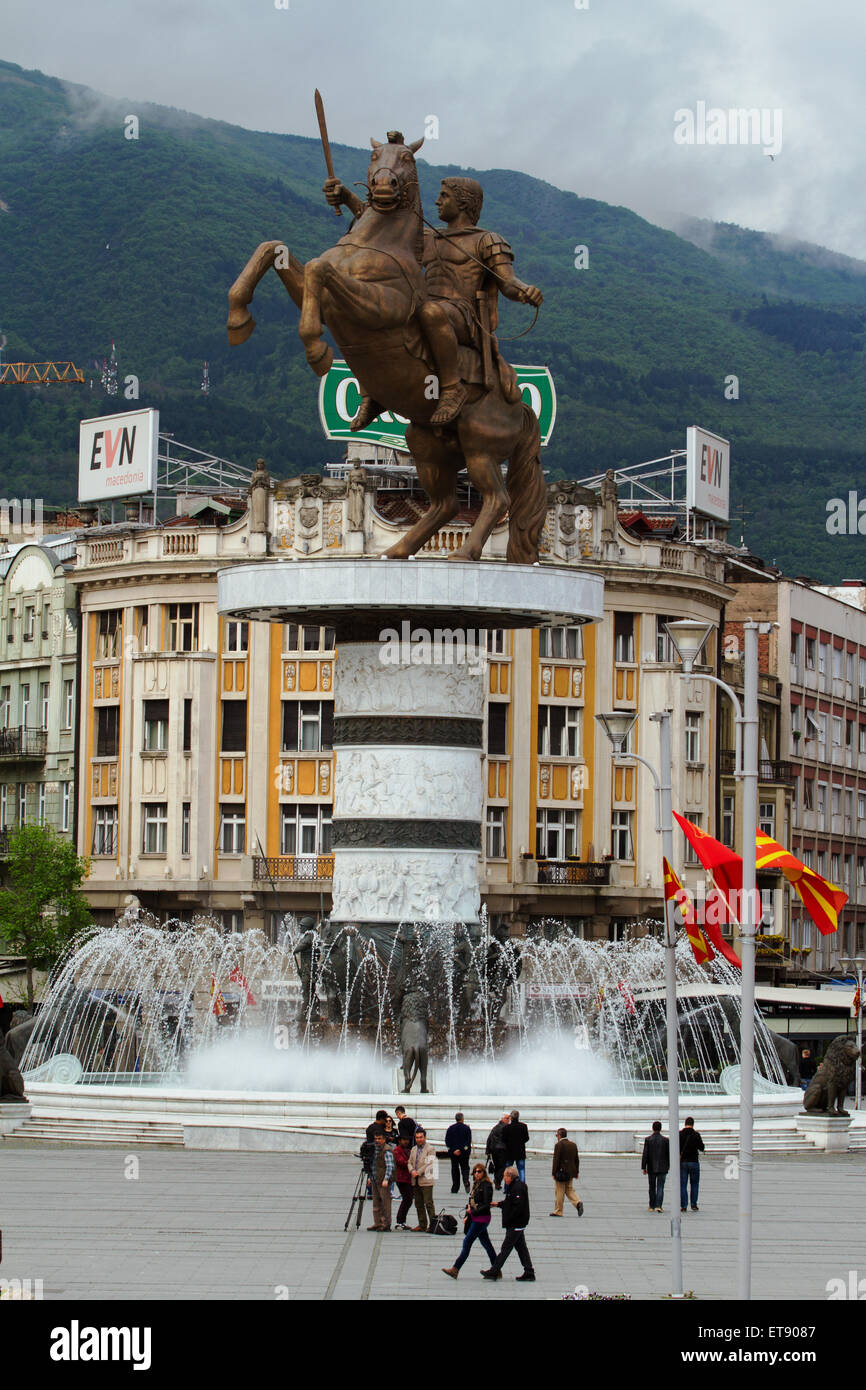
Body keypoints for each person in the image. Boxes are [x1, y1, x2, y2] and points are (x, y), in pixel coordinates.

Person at [441, 1162, 497, 1278]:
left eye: (479, 1171)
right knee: (486, 1244)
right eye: (475, 1172)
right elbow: (471, 1202)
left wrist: (473, 1212)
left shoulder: (486, 1185)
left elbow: (486, 1204)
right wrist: (468, 1214)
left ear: (483, 1173)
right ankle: (496, 1269)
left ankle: (455, 1269)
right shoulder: (476, 1184)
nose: (477, 1174)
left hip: (482, 1218)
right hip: (476, 1218)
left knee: (467, 1242)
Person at [482, 1166, 535, 1282]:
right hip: (517, 1224)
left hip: (516, 1224)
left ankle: (494, 1271)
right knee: (521, 1248)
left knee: (506, 1248)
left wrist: (510, 1219)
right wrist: (498, 1204)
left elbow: (518, 1206)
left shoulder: (517, 1188)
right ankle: (529, 1271)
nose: (504, 1178)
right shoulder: (514, 1186)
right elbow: (510, 1202)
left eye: (505, 1176)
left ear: (510, 1176)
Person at [550, 1127, 584, 1217]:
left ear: (560, 1135)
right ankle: (578, 1202)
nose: (557, 1136)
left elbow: (556, 1160)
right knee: (569, 1189)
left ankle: (558, 1211)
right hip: (571, 1172)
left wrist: (554, 1173)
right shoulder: (573, 1144)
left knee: (559, 1191)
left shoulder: (558, 1145)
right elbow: (576, 1159)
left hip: (561, 1172)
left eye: (557, 1135)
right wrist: (576, 1172)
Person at [409, 1127, 437, 1232]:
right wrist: (412, 1170)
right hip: (415, 1180)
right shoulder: (413, 1149)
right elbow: (409, 1162)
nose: (419, 1139)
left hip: (426, 1180)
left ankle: (433, 1224)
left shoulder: (430, 1149)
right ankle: (422, 1224)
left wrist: (418, 1172)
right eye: (417, 1137)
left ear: (425, 1137)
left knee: (428, 1203)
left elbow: (430, 1163)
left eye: (421, 1137)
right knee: (418, 1203)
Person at [641, 1120, 670, 1212]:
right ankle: (659, 1205)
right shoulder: (665, 1140)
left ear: (652, 1128)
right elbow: (668, 1154)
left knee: (652, 1187)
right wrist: (668, 1165)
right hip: (663, 1167)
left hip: (651, 1167)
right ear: (661, 1129)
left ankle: (651, 1205)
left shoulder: (648, 1140)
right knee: (660, 1187)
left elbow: (645, 1154)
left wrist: (643, 1167)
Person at [368, 1131, 394, 1232]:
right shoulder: (375, 1149)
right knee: (376, 1203)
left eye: (379, 1139)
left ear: (384, 1139)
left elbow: (390, 1166)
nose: (377, 1141)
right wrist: (370, 1177)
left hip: (383, 1180)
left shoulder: (387, 1150)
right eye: (376, 1139)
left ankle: (386, 1223)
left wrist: (386, 1179)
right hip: (375, 1179)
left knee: (385, 1203)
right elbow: (373, 1165)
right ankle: (377, 1223)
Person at [679, 1116, 705, 1212]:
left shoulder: (680, 1134)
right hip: (694, 1161)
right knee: (694, 1184)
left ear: (685, 1124)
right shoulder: (696, 1134)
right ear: (693, 1124)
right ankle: (693, 1204)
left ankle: (684, 1205)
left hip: (683, 1162)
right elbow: (701, 1147)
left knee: (683, 1184)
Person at [445, 1111, 472, 1194]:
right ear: (462, 1119)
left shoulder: (450, 1128)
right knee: (465, 1168)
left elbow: (447, 1141)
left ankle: (455, 1187)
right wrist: (462, 1149)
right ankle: (466, 1180)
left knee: (455, 1169)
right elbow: (468, 1142)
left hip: (454, 1153)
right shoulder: (467, 1128)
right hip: (464, 1153)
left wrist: (454, 1150)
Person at [392, 1134, 414, 1230]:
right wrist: (412, 1162)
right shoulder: (397, 1150)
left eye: (407, 1140)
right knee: (407, 1199)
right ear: (400, 1141)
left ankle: (401, 1221)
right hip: (401, 1179)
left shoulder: (409, 1150)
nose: (406, 1142)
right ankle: (400, 1221)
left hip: (408, 1178)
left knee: (408, 1200)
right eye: (404, 1140)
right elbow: (401, 1162)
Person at [486, 1113, 511, 1189]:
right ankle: (497, 1180)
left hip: (494, 1150)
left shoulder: (495, 1127)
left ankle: (497, 1182)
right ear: (502, 1119)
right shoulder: (506, 1128)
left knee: (497, 1166)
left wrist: (488, 1151)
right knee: (502, 1167)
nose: (508, 1120)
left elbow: (489, 1139)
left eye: (509, 1118)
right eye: (507, 1118)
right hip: (502, 1150)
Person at [505, 1108, 529, 1183]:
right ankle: (522, 1185)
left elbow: (504, 1139)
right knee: (521, 1169)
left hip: (509, 1152)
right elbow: (527, 1138)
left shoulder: (507, 1127)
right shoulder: (523, 1126)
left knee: (508, 1171)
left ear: (511, 1118)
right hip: (520, 1151)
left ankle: (507, 1187)